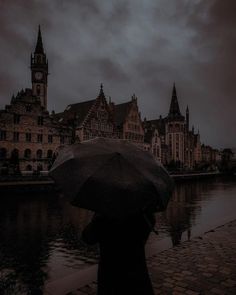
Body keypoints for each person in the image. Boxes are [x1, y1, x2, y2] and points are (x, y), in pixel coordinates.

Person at [82, 211, 155, 295]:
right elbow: (150, 224)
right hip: (137, 275)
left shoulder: (105, 215)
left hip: (110, 278)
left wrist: (96, 218)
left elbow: (87, 237)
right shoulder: (142, 213)